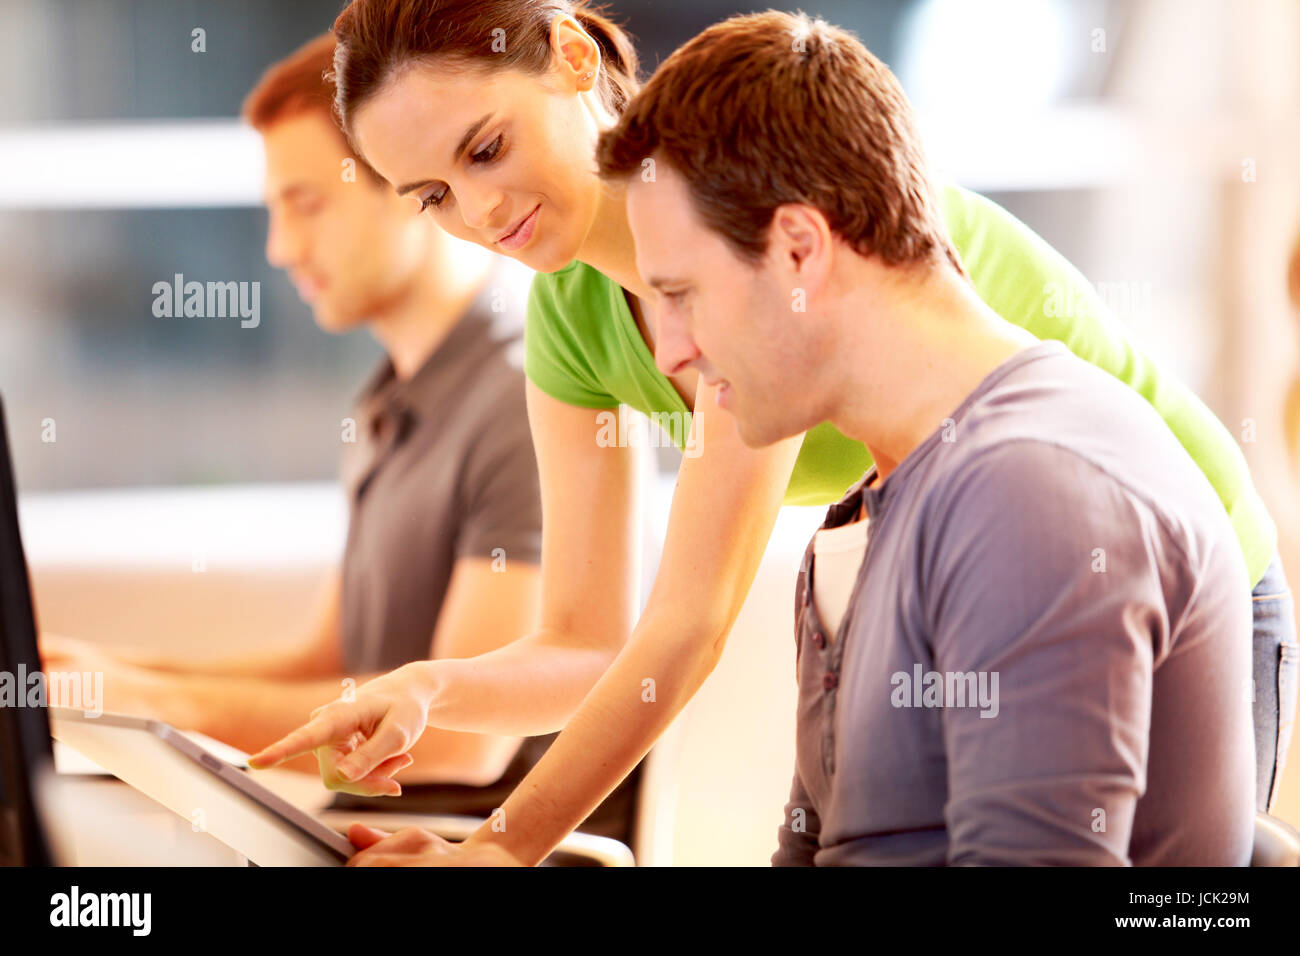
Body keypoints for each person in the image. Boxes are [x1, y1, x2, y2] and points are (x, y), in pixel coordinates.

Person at [251, 1, 1290, 864]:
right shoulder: (574, 312)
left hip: (1131, 554)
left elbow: (686, 626)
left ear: (571, 58)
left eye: (485, 148)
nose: (477, 212)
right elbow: (588, 637)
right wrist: (433, 688)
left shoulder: (745, 235)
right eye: (432, 195)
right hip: (928, 548)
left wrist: (500, 847)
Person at [607, 10, 1256, 864]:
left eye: (682, 293)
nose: (670, 350)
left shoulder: (1031, 496)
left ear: (799, 250)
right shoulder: (868, 511)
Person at [40, 33, 639, 845]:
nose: (281, 248)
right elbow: (332, 655)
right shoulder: (391, 400)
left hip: (456, 838)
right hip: (354, 826)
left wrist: (151, 704)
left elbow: (466, 742)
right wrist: (102, 676)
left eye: (306, 202)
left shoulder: (522, 388)